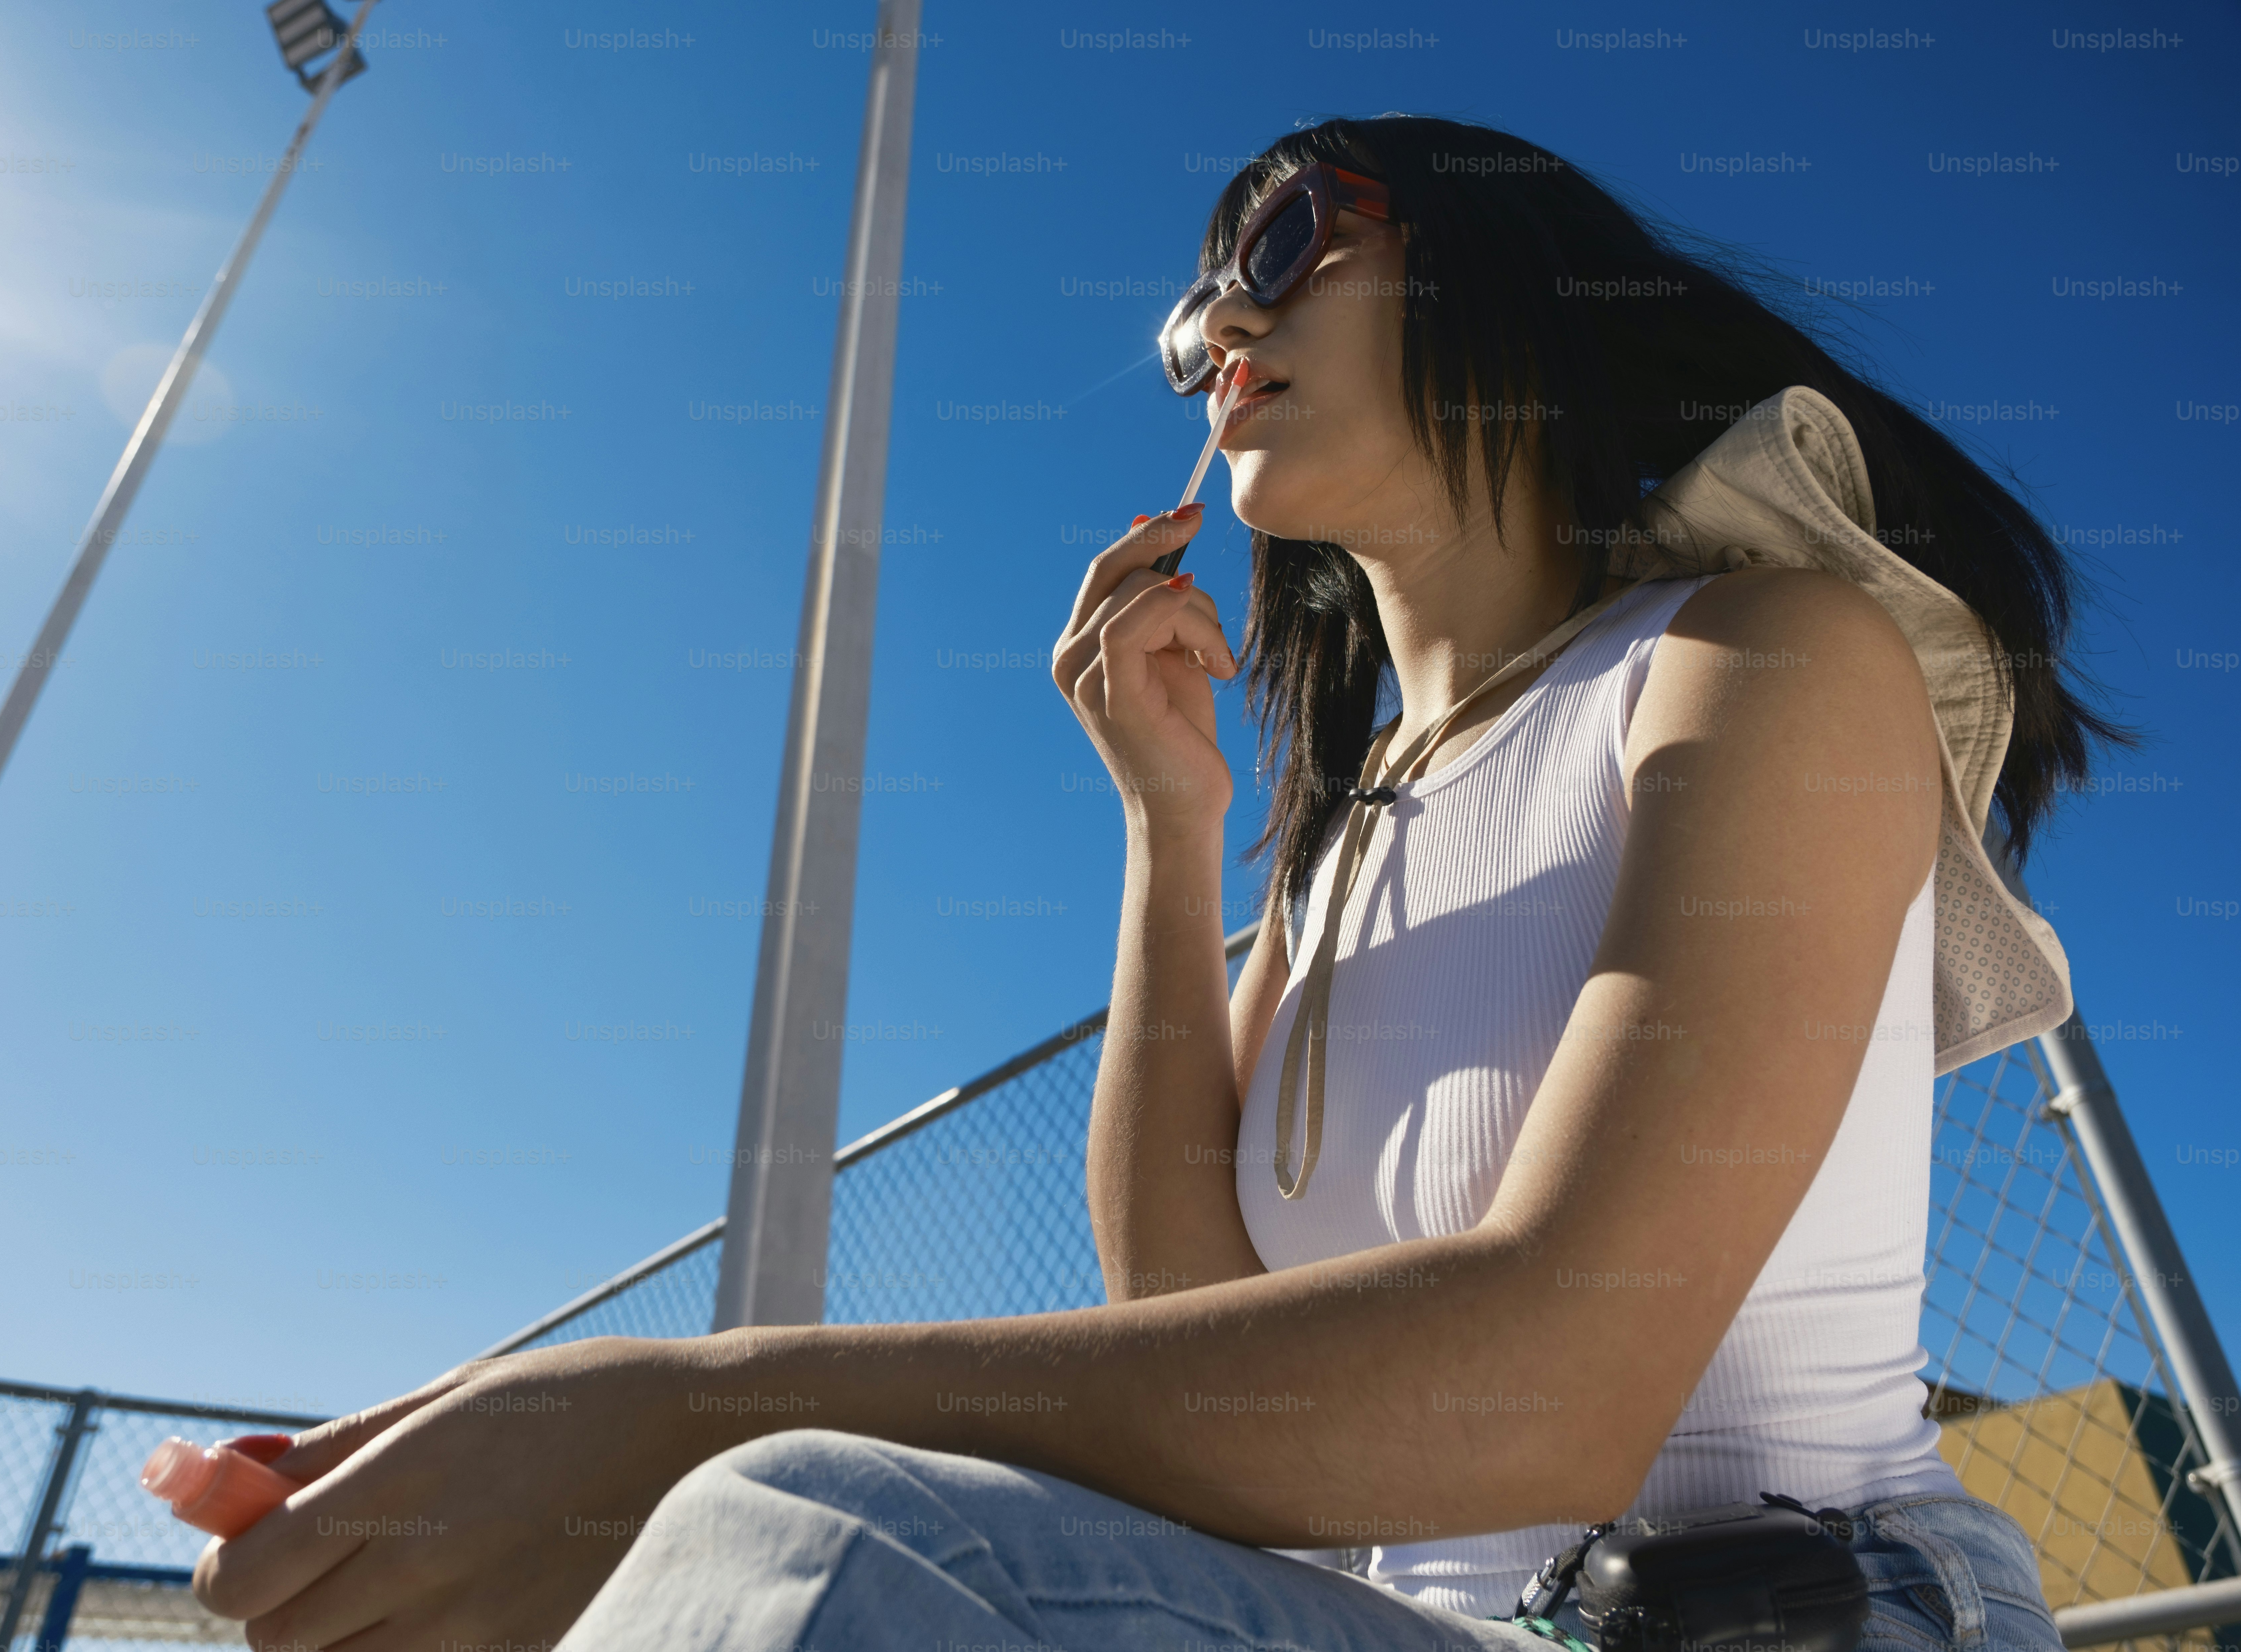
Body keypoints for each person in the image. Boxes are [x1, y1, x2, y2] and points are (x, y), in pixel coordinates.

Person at [190, 115, 2119, 1652]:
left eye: (1276, 247)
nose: (1211, 334)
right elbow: (1183, 1327)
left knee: (818, 1532)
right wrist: (1167, 826)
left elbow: (1551, 1382)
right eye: (1193, 315)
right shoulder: (1343, 839)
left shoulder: (1753, 658)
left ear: (1499, 269)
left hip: (1793, 1617)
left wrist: (668, 1408)